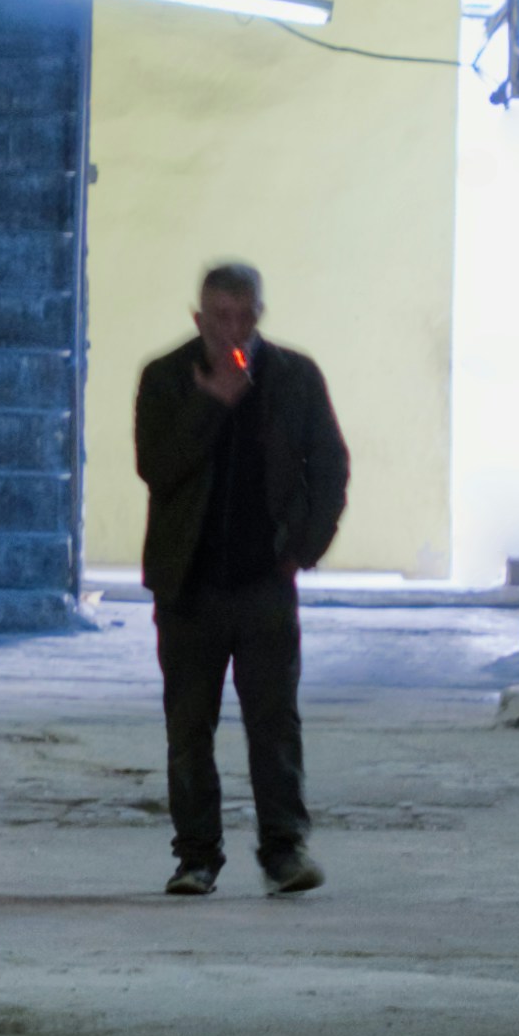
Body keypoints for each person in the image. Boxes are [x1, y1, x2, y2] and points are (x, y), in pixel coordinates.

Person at [122, 257, 348, 898]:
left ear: (259, 316)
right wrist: (211, 401)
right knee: (188, 728)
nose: (234, 330)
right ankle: (196, 856)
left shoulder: (294, 377)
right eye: (220, 318)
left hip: (264, 583)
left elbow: (329, 465)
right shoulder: (166, 378)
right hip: (187, 584)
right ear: (199, 319)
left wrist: (303, 549)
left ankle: (285, 851)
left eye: (245, 317)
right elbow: (156, 467)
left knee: (274, 723)